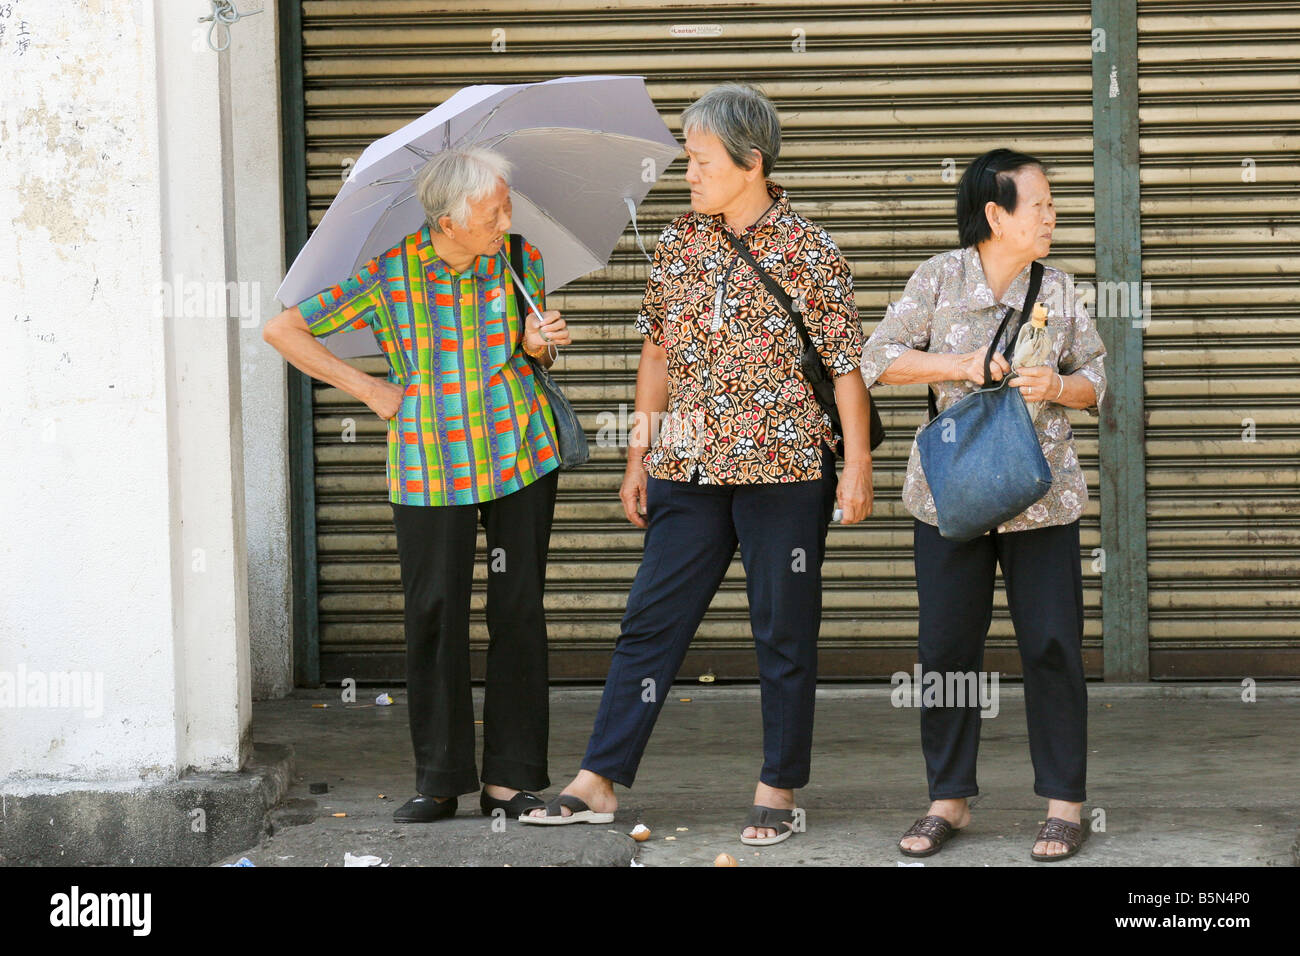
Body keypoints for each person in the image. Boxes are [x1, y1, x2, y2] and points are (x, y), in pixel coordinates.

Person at [522, 83, 874, 845]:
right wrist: (638, 456)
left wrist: (857, 469)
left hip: (786, 469)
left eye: (702, 160)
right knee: (650, 621)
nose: (690, 173)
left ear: (751, 161)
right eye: (688, 159)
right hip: (687, 467)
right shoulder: (680, 243)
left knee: (784, 630)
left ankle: (778, 785)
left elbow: (847, 367)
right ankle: (599, 778)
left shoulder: (810, 251)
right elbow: (656, 354)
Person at [262, 146, 572, 823]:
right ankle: (441, 777)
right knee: (434, 617)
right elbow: (281, 328)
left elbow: (535, 351)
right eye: (492, 212)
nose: (506, 218)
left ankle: (511, 779)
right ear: (449, 220)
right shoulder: (388, 275)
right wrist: (367, 386)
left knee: (517, 611)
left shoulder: (520, 260)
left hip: (520, 455)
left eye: (504, 206)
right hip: (430, 465)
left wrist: (541, 340)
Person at [859, 148, 1107, 861]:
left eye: (1053, 205)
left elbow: (1098, 377)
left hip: (1042, 496)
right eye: (1042, 205)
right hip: (953, 499)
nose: (1053, 217)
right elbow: (877, 358)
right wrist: (960, 366)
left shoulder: (1058, 290)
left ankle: (1064, 803)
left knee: (1053, 647)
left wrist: (1058, 389)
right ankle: (949, 799)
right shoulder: (936, 279)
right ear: (996, 214)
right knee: (945, 649)